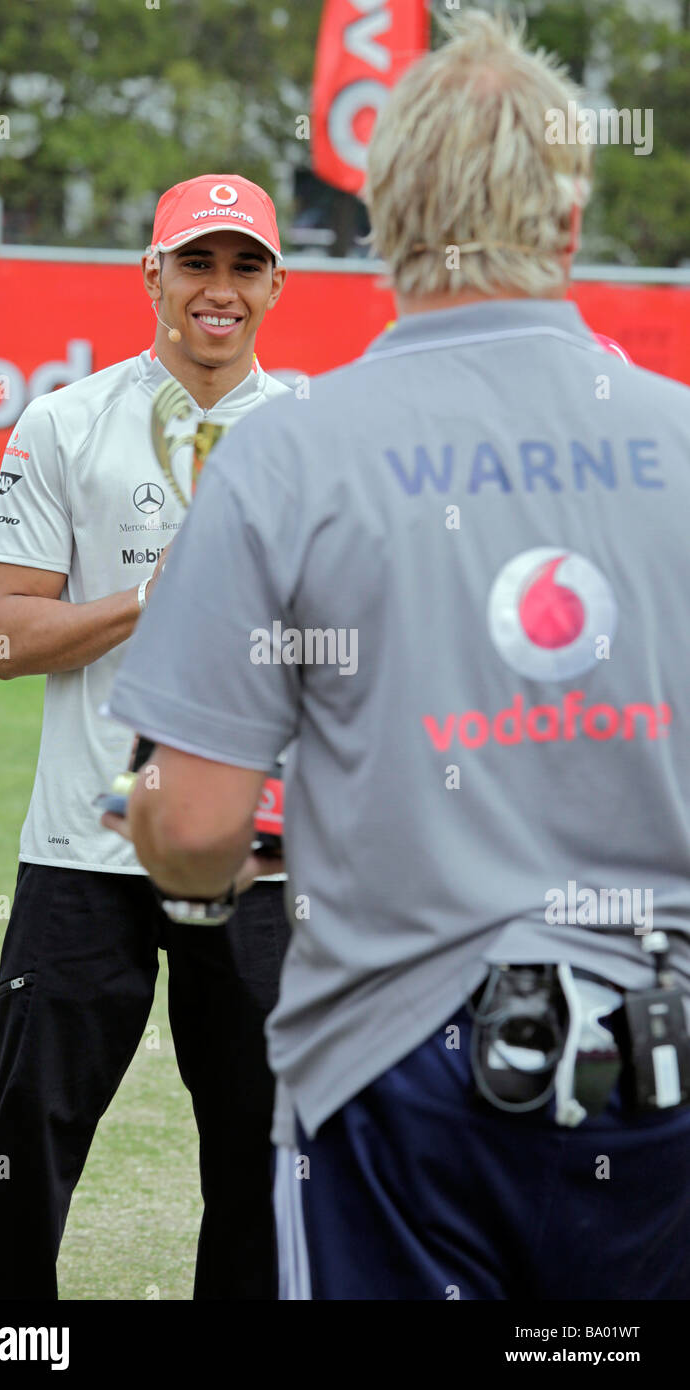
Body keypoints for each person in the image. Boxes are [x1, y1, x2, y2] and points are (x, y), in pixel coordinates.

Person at [105, 10, 690, 1301]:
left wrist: (155, 820)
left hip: (396, 1076)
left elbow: (199, 826)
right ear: (571, 220)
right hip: (660, 1069)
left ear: (383, 213)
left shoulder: (290, 451)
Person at [0, 174, 291, 1302]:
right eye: (197, 262)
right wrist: (152, 601)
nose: (219, 289)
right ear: (153, 272)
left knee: (259, 1151)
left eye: (244, 266)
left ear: (275, 284)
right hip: (80, 852)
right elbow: (3, 636)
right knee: (26, 1140)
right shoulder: (65, 421)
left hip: (257, 854)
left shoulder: (314, 438)